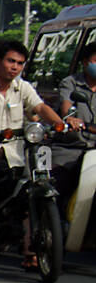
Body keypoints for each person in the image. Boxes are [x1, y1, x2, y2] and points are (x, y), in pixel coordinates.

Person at [0, 39, 72, 268]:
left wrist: (60, 123)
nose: (15, 67)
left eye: (20, 63)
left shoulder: (24, 88)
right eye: (11, 61)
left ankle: (31, 246)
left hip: (16, 151)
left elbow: (39, 108)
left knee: (35, 180)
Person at [52, 41, 96, 211]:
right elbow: (66, 110)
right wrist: (72, 120)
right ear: (85, 63)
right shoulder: (70, 83)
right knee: (57, 183)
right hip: (70, 148)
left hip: (94, 151)